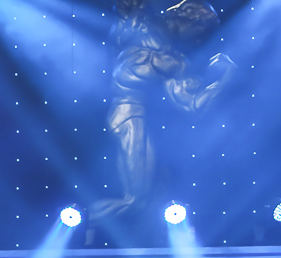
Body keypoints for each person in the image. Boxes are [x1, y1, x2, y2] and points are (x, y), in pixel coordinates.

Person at [89, 0, 237, 222]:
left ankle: (151, 239)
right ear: (190, 19)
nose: (199, 39)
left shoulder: (176, 62)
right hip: (128, 115)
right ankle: (83, 226)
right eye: (201, 30)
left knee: (157, 193)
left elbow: (193, 105)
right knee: (136, 200)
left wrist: (226, 77)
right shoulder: (142, 22)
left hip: (144, 120)